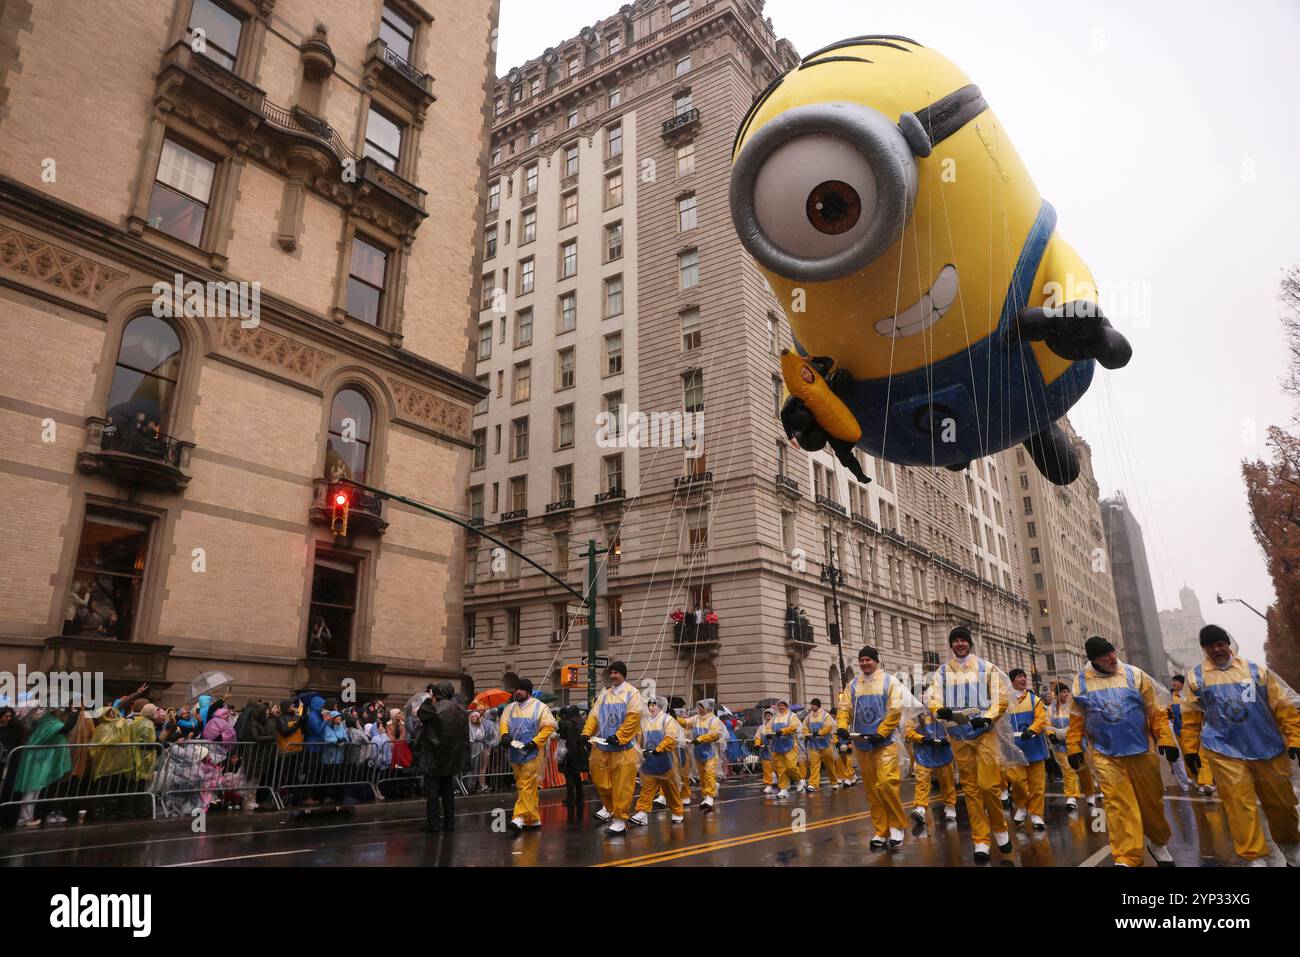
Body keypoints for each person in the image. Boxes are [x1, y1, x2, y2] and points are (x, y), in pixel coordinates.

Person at [1178, 624, 1300, 867]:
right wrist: (1190, 750)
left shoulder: (1255, 671)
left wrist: (1295, 737)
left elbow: (1284, 706)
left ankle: (1292, 849)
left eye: (1220, 643)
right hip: (1224, 751)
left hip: (1267, 748)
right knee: (1239, 805)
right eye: (1211, 646)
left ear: (1228, 643)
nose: (1217, 649)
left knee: (1282, 806)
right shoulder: (1196, 678)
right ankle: (1254, 857)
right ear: (1204, 649)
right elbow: (1190, 717)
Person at [1068, 636, 1177, 867]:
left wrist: (1166, 739)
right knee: (1118, 805)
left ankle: (1158, 842)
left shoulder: (1134, 675)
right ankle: (1126, 857)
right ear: (1093, 660)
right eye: (1105, 655)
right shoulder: (1081, 682)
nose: (1112, 657)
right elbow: (1076, 719)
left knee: (1151, 805)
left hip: (1141, 751)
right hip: (1105, 755)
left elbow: (1155, 711)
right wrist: (1073, 746)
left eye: (1112, 652)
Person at [928, 626, 1013, 863]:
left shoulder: (986, 668)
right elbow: (933, 697)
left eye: (963, 640)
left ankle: (999, 828)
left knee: (989, 786)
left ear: (970, 643)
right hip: (957, 736)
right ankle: (981, 840)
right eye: (955, 641)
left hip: (984, 733)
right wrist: (939, 709)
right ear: (951, 645)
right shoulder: (943, 672)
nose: (959, 644)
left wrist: (988, 717)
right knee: (971, 790)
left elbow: (1001, 698)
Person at [836, 645, 907, 848]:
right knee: (872, 790)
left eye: (868, 659)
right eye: (862, 660)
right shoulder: (852, 685)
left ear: (876, 661)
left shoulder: (889, 681)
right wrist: (842, 726)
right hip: (862, 744)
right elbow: (844, 708)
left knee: (886, 784)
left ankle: (897, 827)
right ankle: (881, 830)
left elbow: (895, 710)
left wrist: (881, 732)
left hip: (885, 743)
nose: (865, 663)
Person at [581, 662, 645, 835]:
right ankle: (610, 809)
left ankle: (619, 819)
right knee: (601, 781)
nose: (612, 676)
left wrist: (619, 737)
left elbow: (633, 718)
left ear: (623, 674)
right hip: (602, 747)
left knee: (622, 786)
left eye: (615, 672)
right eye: (611, 673)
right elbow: (594, 715)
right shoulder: (605, 695)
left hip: (624, 749)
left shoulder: (632, 693)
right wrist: (586, 733)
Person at [498, 678, 556, 832]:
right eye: (516, 689)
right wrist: (504, 735)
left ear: (528, 691)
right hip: (515, 752)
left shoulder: (540, 707)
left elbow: (549, 727)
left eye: (521, 689)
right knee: (524, 785)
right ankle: (533, 818)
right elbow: (503, 723)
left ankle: (518, 817)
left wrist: (536, 742)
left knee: (526, 783)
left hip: (533, 753)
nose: (518, 692)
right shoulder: (510, 708)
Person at [414, 682, 468, 833]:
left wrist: (428, 699)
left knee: (432, 794)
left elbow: (421, 713)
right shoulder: (461, 711)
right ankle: (449, 822)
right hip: (451, 758)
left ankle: (433, 824)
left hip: (434, 758)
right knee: (448, 793)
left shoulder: (434, 708)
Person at [13, 706, 81, 827]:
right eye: (60, 709)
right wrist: (76, 713)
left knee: (35, 789)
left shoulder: (47, 720)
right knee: (31, 789)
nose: (62, 711)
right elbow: (66, 728)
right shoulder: (49, 722)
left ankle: (28, 817)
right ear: (54, 710)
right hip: (36, 759)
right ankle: (24, 818)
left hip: (39, 759)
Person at [1005, 669, 1049, 831]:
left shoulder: (1034, 700)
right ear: (1012, 681)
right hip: (1014, 751)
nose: (1023, 679)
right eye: (1019, 677)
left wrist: (1032, 730)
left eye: (1024, 676)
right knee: (1017, 781)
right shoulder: (1005, 702)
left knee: (1037, 784)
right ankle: (1022, 806)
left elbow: (1041, 719)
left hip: (1034, 748)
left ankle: (1037, 814)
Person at [630, 696, 686, 825]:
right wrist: (638, 751)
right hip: (649, 762)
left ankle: (677, 812)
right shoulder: (644, 721)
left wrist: (658, 749)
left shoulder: (667, 720)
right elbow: (639, 737)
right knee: (647, 789)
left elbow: (670, 737)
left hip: (666, 762)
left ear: (661, 706)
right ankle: (642, 813)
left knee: (670, 789)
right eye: (649, 705)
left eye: (653, 705)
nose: (650, 707)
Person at [1046, 683, 1095, 811]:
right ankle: (1071, 796)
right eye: (1063, 692)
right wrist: (1051, 735)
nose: (1066, 694)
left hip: (1078, 743)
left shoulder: (1074, 708)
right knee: (1067, 770)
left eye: (1068, 692)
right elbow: (1047, 724)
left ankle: (1089, 793)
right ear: (1057, 694)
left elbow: (1082, 723)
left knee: (1084, 769)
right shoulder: (1050, 709)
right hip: (1060, 745)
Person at [906, 710, 957, 824]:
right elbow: (908, 731)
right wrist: (922, 739)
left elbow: (951, 722)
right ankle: (920, 807)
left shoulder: (940, 703)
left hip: (943, 749)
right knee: (922, 780)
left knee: (947, 779)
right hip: (924, 750)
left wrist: (949, 739)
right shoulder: (913, 710)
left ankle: (950, 805)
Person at [1170, 674, 1215, 796]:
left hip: (1202, 730)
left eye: (1176, 681)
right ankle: (1195, 778)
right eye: (1173, 681)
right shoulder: (1171, 697)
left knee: (1202, 756)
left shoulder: (1192, 695)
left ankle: (1206, 783)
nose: (1173, 683)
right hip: (1182, 731)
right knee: (1189, 756)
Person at [679, 698, 726, 811]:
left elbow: (714, 735)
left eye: (701, 707)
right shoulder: (695, 718)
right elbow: (686, 723)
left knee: (709, 773)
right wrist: (676, 718)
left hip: (710, 751)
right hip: (698, 752)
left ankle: (710, 796)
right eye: (698, 706)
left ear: (707, 708)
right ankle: (707, 794)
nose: (698, 709)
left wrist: (700, 739)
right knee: (702, 775)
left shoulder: (714, 720)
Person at [802, 698, 840, 791]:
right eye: (811, 705)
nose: (812, 706)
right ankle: (813, 784)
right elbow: (804, 726)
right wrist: (806, 734)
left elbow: (829, 726)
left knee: (829, 765)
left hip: (825, 744)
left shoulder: (825, 715)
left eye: (813, 705)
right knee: (814, 765)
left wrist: (820, 732)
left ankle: (834, 782)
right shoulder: (809, 716)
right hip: (813, 744)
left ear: (818, 705)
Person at [554, 705, 588, 809]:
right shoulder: (582, 722)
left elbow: (562, 735)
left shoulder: (566, 722)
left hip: (569, 751)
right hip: (579, 751)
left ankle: (570, 799)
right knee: (576, 775)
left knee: (569, 776)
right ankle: (580, 797)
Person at [766, 700, 802, 798]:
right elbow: (768, 727)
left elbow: (794, 726)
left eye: (783, 705)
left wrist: (783, 731)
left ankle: (799, 779)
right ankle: (783, 789)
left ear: (786, 706)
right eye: (779, 705)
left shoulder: (792, 716)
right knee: (780, 769)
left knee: (791, 766)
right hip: (777, 745)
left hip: (789, 744)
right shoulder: (774, 717)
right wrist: (769, 734)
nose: (781, 707)